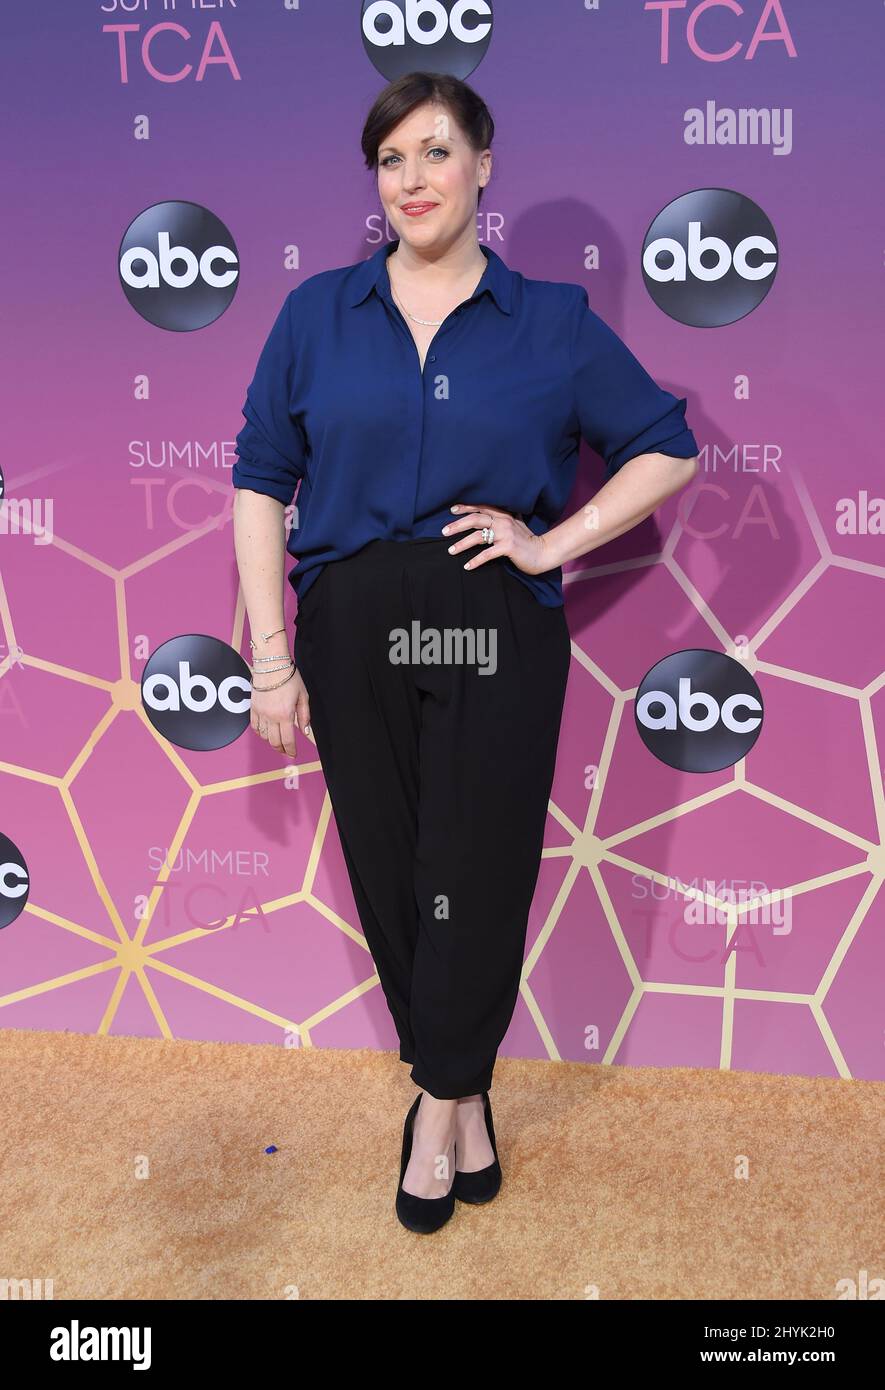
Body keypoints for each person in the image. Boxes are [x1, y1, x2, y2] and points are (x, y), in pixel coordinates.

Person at [231, 71, 699, 1234]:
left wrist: (554, 544)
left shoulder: (550, 322)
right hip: (349, 624)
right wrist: (275, 661)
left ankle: (435, 1108)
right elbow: (258, 482)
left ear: (483, 166)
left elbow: (667, 449)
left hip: (492, 623)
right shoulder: (315, 314)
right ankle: (467, 1089)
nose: (414, 179)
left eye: (436, 153)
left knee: (479, 869)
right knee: (392, 871)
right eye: (391, 160)